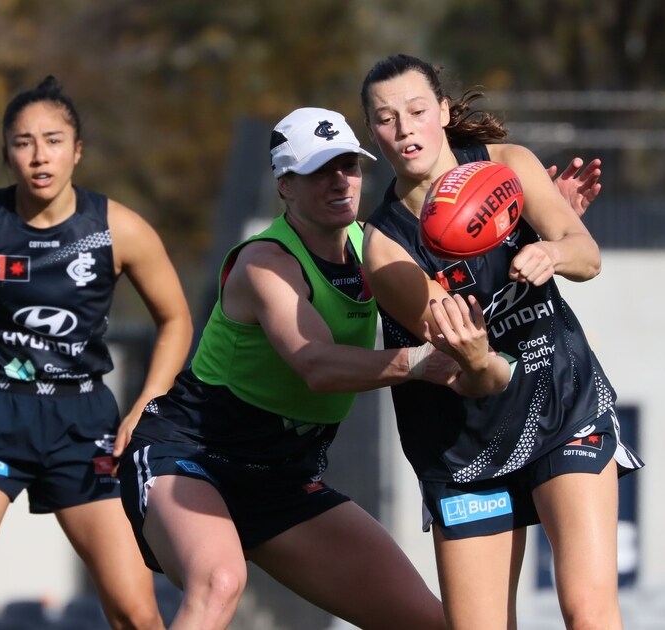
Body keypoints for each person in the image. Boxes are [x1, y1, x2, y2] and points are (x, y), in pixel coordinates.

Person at [116, 106, 504, 630]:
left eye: (349, 165)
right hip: (191, 456)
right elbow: (315, 364)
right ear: (284, 185)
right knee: (219, 581)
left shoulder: (377, 248)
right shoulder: (265, 262)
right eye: (320, 170)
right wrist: (416, 362)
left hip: (283, 477)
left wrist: (528, 230)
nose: (339, 181)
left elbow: (456, 310)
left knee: (431, 624)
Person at [0, 76, 193, 630]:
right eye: (23, 142)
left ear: (77, 151)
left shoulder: (118, 229)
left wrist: (150, 400)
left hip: (83, 424)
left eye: (53, 140)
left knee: (136, 611)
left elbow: (175, 320)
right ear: (7, 154)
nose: (39, 156)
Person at [359, 53, 644, 630]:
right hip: (466, 445)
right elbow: (480, 377)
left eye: (417, 110)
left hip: (563, 403)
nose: (405, 128)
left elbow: (587, 257)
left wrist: (552, 250)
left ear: (441, 111)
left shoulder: (507, 165)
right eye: (386, 119)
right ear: (373, 132)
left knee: (589, 612)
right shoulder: (385, 250)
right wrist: (476, 354)